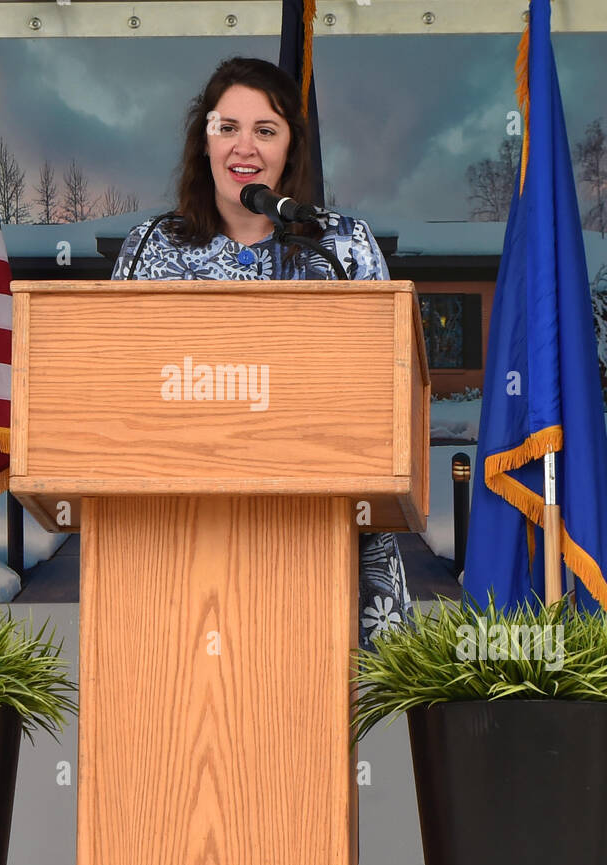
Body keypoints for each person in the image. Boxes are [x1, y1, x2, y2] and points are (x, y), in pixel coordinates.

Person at [111, 55, 411, 648]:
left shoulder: (341, 247)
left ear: (290, 149)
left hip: (322, 528)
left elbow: (386, 387)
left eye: (265, 130)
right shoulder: (150, 248)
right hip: (180, 534)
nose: (244, 147)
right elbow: (121, 387)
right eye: (228, 128)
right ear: (205, 141)